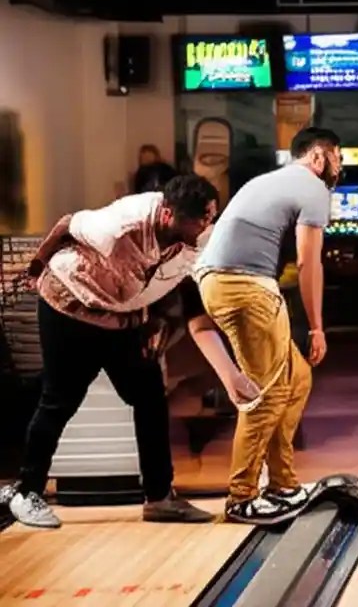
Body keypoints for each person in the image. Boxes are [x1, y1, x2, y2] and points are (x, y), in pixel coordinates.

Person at [2, 175, 221, 528]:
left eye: (210, 216)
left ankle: (159, 498)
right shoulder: (121, 222)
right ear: (168, 215)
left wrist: (158, 322)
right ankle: (28, 492)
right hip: (69, 304)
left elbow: (174, 280)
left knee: (149, 395)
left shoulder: (195, 236)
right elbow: (66, 224)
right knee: (60, 399)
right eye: (200, 218)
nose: (207, 225)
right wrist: (37, 264)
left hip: (119, 316)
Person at [194, 127, 339, 524]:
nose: (339, 165)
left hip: (219, 281)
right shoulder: (313, 187)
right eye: (337, 156)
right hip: (246, 286)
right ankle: (242, 497)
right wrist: (316, 327)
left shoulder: (270, 180)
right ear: (317, 157)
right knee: (269, 395)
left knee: (298, 379)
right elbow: (310, 264)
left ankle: (282, 485)